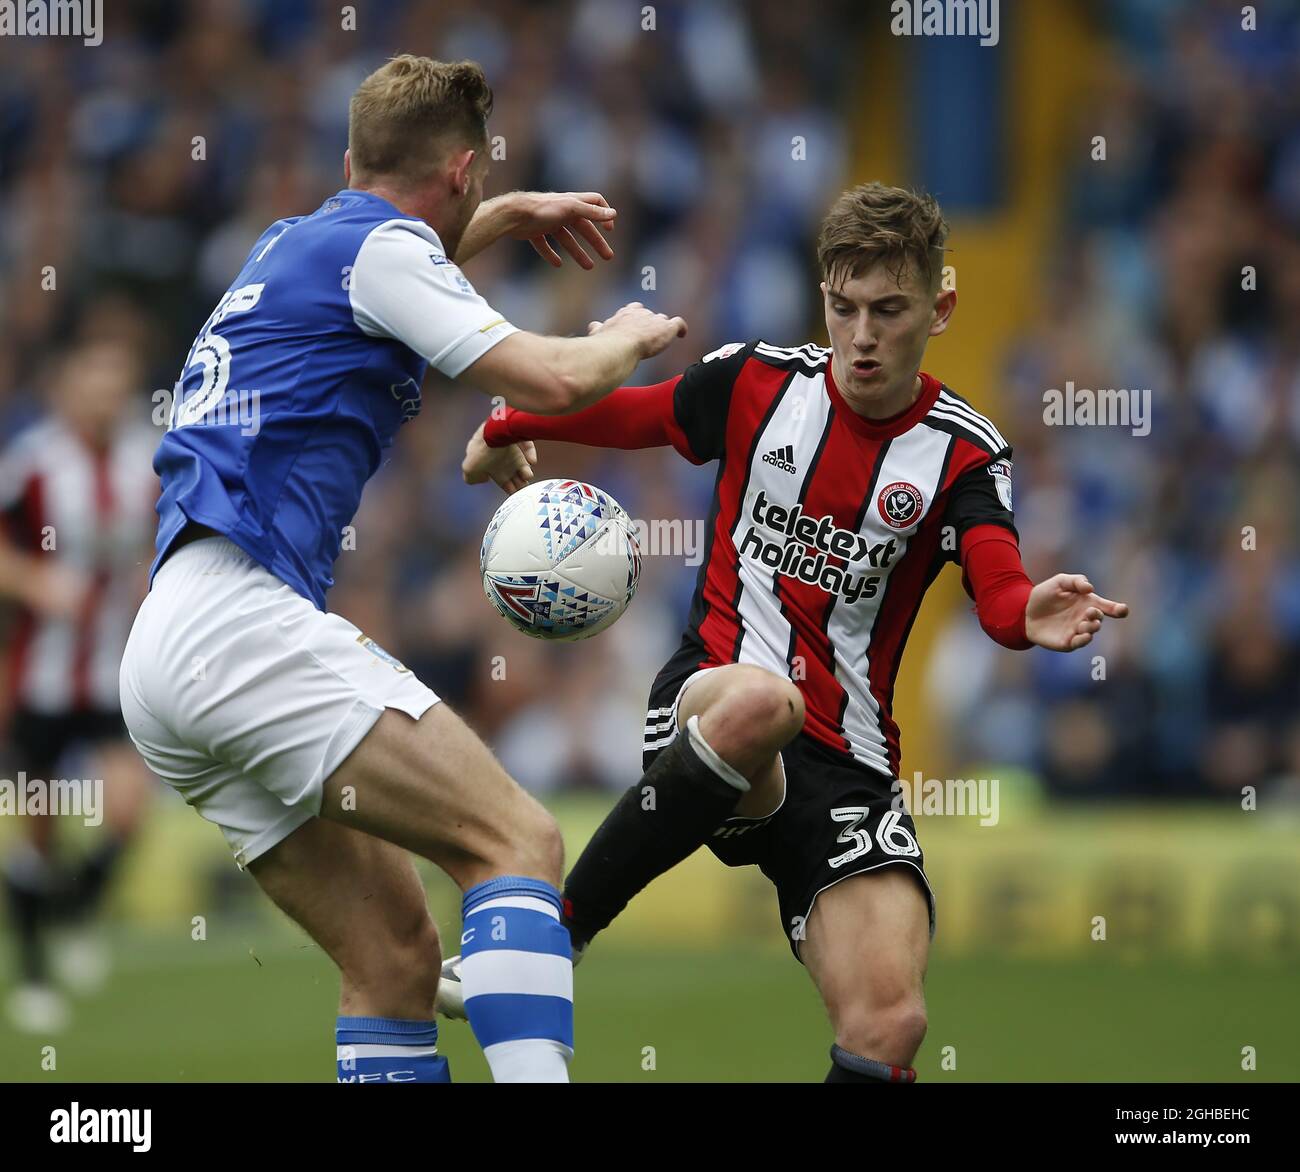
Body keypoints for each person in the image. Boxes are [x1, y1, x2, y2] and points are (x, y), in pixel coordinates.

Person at [451, 182, 1128, 1083]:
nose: (862, 335)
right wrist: (509, 419)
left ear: (941, 305)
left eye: (889, 310)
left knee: (891, 1019)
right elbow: (635, 413)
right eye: (843, 308)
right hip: (716, 697)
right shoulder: (758, 381)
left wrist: (1024, 615)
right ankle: (550, 942)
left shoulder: (966, 454)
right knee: (763, 702)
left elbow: (999, 584)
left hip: (845, 765)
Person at [118, 54, 686, 1084]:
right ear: (461, 167)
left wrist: (503, 214)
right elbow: (556, 378)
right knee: (517, 840)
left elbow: (401, 262)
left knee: (393, 959)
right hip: (240, 623)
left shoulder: (291, 240)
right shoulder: (379, 253)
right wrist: (631, 335)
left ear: (349, 159)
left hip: (166, 647)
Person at [0, 338, 158, 1033]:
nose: (103, 393)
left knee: (128, 808)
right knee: (41, 828)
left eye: (114, 379)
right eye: (91, 377)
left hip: (114, 670)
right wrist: (36, 582)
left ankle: (75, 908)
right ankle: (34, 971)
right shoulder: (34, 462)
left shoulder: (144, 460)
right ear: (67, 385)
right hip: (41, 673)